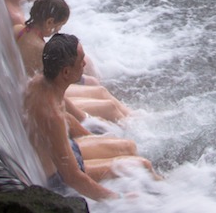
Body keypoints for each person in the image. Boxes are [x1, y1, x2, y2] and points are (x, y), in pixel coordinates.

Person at [23, 34, 154, 198]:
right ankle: (166, 199)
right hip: (59, 180)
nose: (85, 64)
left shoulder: (39, 82)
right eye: (81, 61)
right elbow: (73, 178)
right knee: (144, 166)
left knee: (129, 147)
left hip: (65, 152)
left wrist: (92, 134)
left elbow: (66, 120)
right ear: (66, 72)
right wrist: (117, 200)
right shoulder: (51, 115)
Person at [14, 0, 130, 122]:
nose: (58, 30)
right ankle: (130, 120)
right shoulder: (42, 51)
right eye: (59, 26)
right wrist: (83, 117)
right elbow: (55, 91)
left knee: (98, 88)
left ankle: (131, 116)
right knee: (105, 100)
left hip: (24, 89)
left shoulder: (18, 30)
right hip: (40, 98)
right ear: (49, 22)